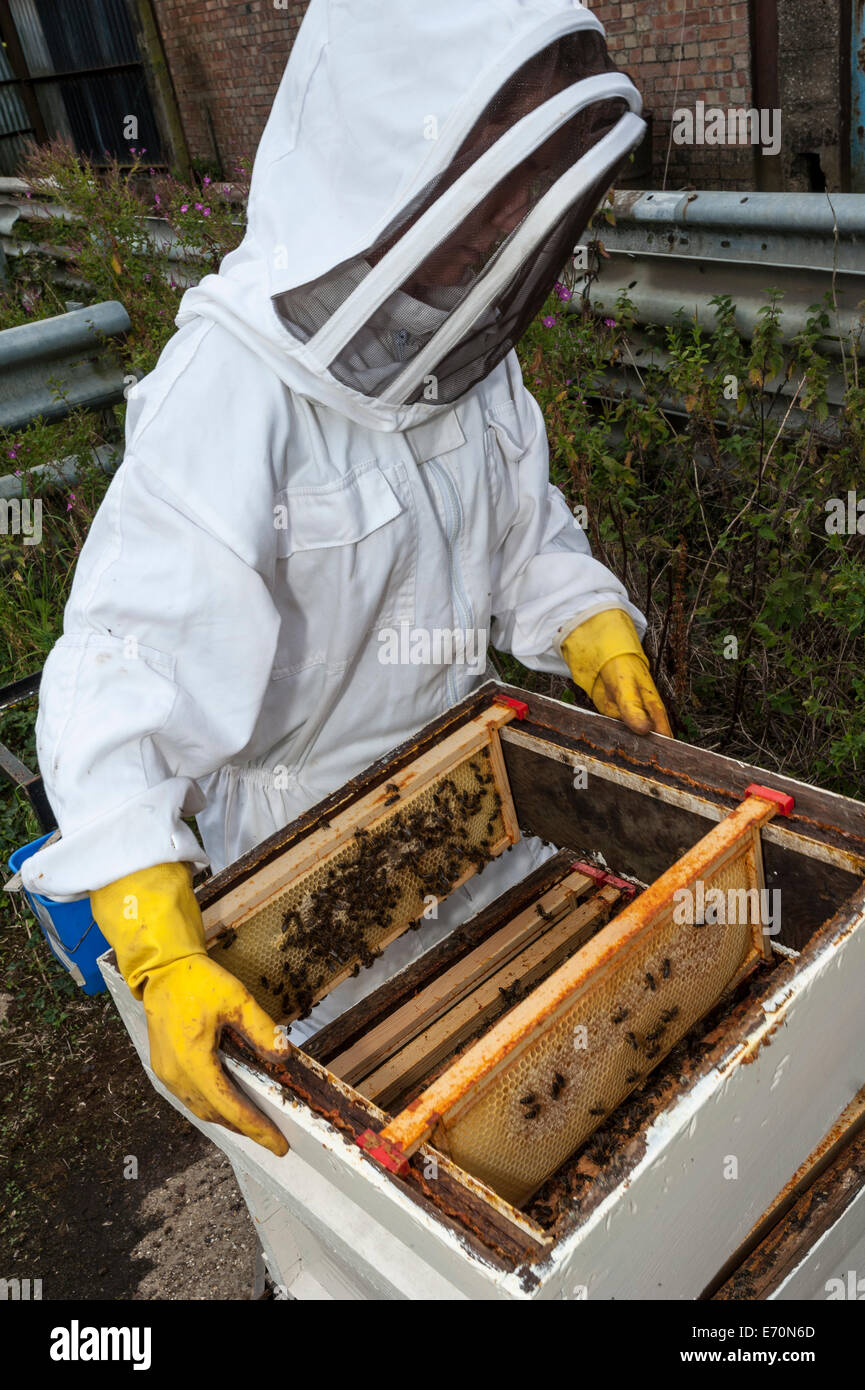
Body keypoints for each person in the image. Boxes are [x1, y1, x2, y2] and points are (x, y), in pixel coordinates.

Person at [22, 0, 670, 1157]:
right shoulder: (228, 393)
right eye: (487, 190)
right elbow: (121, 668)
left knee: (509, 1110)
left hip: (468, 794)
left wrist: (587, 619)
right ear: (395, 167)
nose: (504, 229)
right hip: (290, 854)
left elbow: (525, 535)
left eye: (524, 199)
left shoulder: (467, 362)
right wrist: (153, 932)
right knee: (355, 1173)